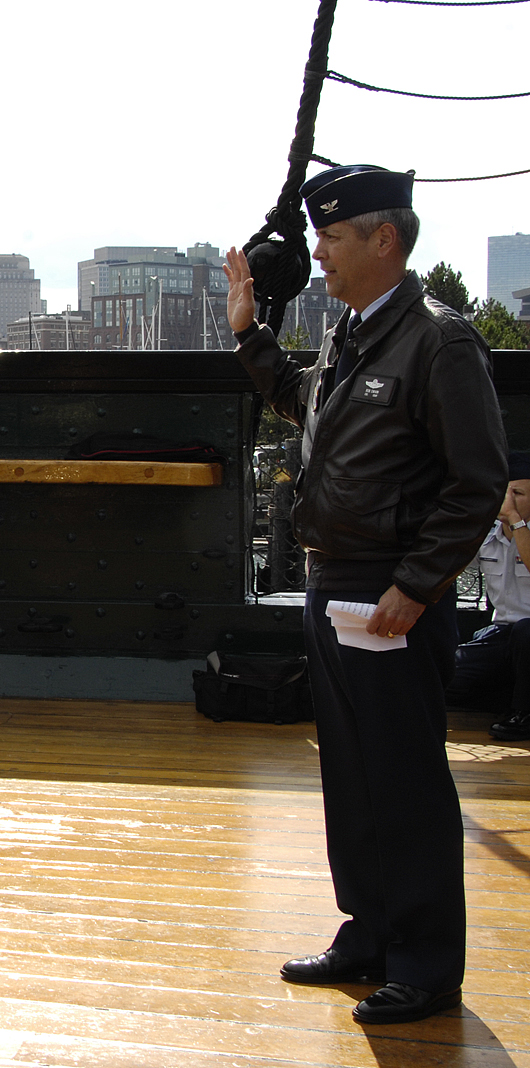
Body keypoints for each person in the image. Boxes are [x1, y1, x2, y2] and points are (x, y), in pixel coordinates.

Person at [225, 164, 506, 1025]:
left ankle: (425, 963)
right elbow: (305, 404)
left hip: (390, 600)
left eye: (333, 239)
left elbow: (476, 481)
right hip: (332, 586)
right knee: (351, 774)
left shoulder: (440, 342)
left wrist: (416, 587)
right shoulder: (351, 336)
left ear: (386, 239)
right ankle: (370, 932)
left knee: (408, 780)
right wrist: (250, 336)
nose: (319, 255)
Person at [446, 454, 530, 741]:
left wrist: (517, 522)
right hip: (502, 634)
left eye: (517, 493)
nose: (507, 501)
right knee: (449, 678)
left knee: (526, 632)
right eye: (503, 492)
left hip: (529, 633)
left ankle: (524, 715)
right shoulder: (489, 535)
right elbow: (452, 563)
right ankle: (510, 697)